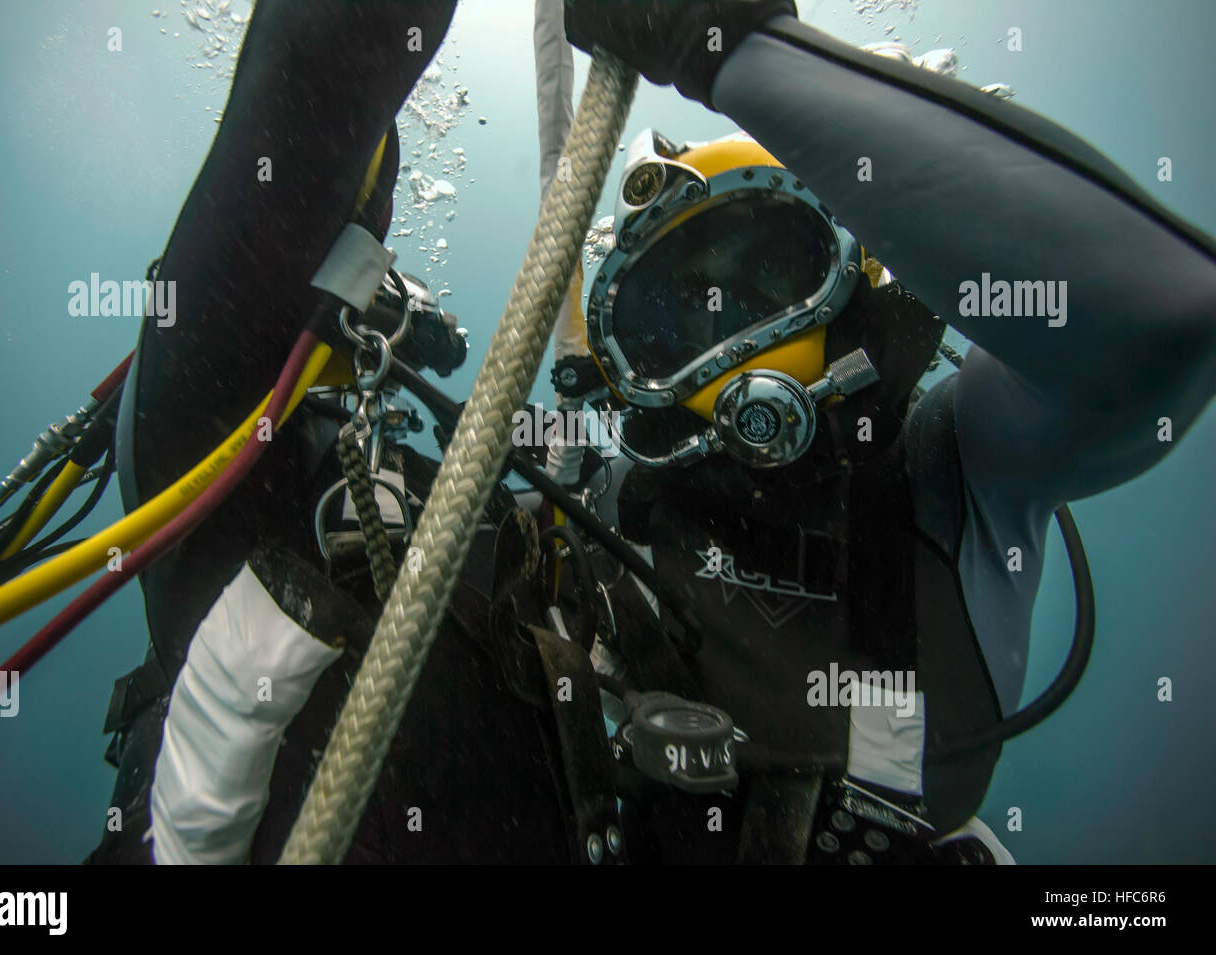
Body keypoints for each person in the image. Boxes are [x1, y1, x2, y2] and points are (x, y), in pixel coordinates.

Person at [88, 0, 1216, 865]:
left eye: (766, 273)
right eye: (672, 315)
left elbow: (1160, 319)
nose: (725, 358)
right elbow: (203, 445)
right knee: (302, 574)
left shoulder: (948, 481)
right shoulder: (553, 543)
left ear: (855, 289)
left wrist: (723, 44)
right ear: (619, 370)